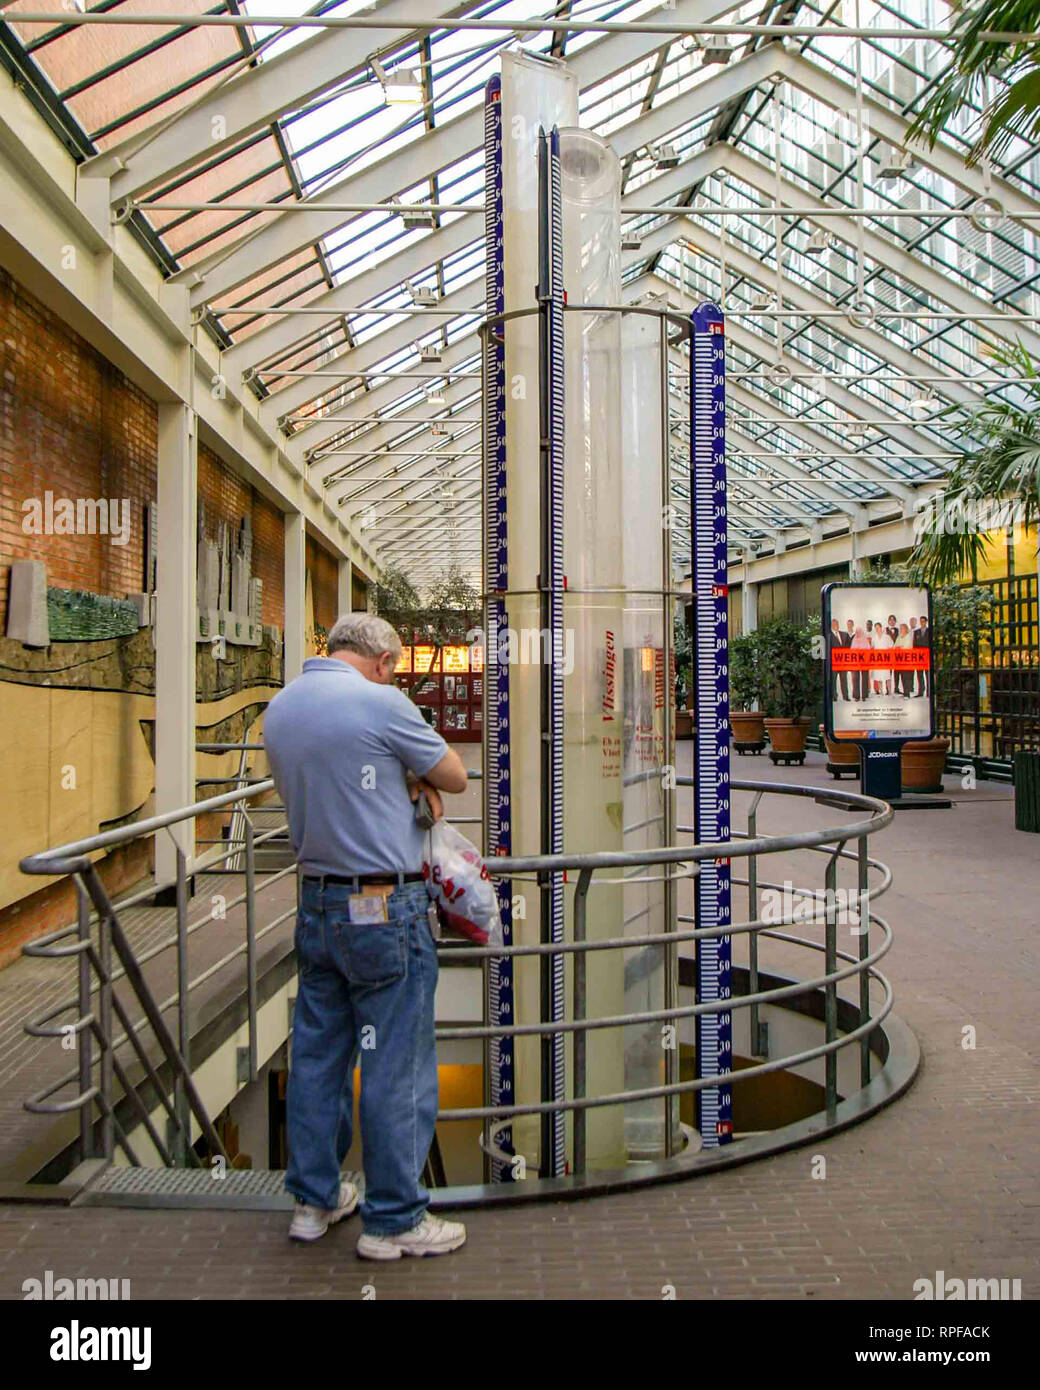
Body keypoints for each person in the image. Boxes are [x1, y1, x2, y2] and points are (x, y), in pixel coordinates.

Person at [264, 612, 470, 1260]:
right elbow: (456, 775)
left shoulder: (282, 706)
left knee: (319, 1055)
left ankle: (314, 1200)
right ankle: (395, 1221)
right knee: (396, 1064)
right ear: (383, 660)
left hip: (317, 903)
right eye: (396, 666)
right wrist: (414, 781)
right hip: (385, 907)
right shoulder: (383, 703)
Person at [871, 616, 893, 696]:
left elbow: (891, 646)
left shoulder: (887, 637)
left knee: (887, 676)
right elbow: (872, 648)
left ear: (881, 628)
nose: (877, 629)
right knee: (878, 676)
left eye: (878, 627)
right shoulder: (874, 638)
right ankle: (881, 692)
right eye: (875, 628)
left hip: (885, 659)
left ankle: (890, 691)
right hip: (877, 659)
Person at [829, 618, 849, 702]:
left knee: (844, 679)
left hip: (843, 662)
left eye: (836, 624)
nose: (835, 625)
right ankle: (834, 696)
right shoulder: (828, 636)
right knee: (833, 680)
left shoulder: (844, 634)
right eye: (833, 624)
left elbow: (848, 647)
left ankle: (846, 696)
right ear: (831, 626)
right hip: (834, 662)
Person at [914, 614, 930, 697]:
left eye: (923, 621)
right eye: (920, 621)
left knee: (927, 674)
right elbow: (914, 644)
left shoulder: (929, 631)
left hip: (927, 655)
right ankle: (921, 691)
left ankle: (928, 692)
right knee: (919, 674)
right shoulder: (916, 632)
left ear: (926, 622)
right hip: (919, 656)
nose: (922, 623)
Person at [895, 622, 913, 695]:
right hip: (899, 660)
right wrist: (899, 647)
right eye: (900, 628)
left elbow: (906, 647)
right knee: (902, 676)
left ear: (906, 629)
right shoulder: (899, 637)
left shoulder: (908, 637)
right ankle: (904, 692)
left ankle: (907, 694)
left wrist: (899, 647)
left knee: (906, 677)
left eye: (902, 628)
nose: (901, 630)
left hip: (907, 660)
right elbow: (895, 646)